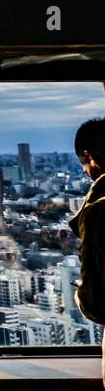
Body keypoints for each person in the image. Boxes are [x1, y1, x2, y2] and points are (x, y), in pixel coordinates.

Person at [71, 118, 105, 376]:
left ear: (88, 155)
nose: (84, 171)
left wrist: (80, 295)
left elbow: (98, 304)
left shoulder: (99, 213)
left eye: (83, 163)